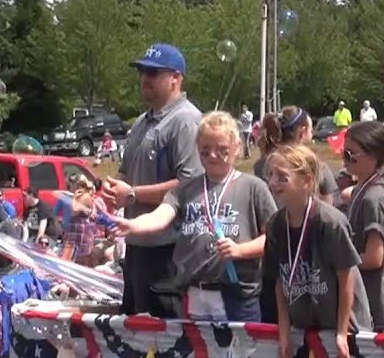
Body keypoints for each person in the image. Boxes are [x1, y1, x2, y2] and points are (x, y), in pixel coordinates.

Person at [115, 112, 274, 322]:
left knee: (240, 353)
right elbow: (162, 215)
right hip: (193, 292)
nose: (213, 156)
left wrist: (240, 250)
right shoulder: (187, 189)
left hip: (237, 294)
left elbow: (274, 238)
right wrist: (132, 225)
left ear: (237, 147)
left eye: (222, 150)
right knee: (197, 354)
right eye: (205, 151)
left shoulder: (254, 188)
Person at [107, 43, 204, 318]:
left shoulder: (186, 121)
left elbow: (191, 185)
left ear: (176, 78)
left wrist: (133, 194)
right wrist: (108, 193)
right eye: (142, 72)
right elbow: (125, 175)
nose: (144, 78)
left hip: (168, 250)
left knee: (163, 343)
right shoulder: (141, 122)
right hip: (136, 245)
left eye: (153, 72)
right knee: (135, 337)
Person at [264, 143, 372, 358]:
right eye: (271, 175)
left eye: (282, 177)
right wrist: (284, 334)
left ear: (307, 180)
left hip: (344, 329)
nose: (273, 183)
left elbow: (347, 278)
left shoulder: (329, 222)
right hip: (305, 329)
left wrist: (342, 333)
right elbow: (279, 283)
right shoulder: (275, 225)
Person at [342, 122, 384, 333]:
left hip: (381, 310)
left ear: (373, 156)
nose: (345, 159)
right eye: (344, 153)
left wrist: (337, 264)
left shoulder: (374, 199)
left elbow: (374, 258)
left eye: (351, 154)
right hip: (369, 304)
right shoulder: (360, 191)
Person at [254, 106, 338, 202]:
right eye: (311, 130)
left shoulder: (261, 165)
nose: (313, 133)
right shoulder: (316, 167)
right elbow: (328, 207)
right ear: (302, 132)